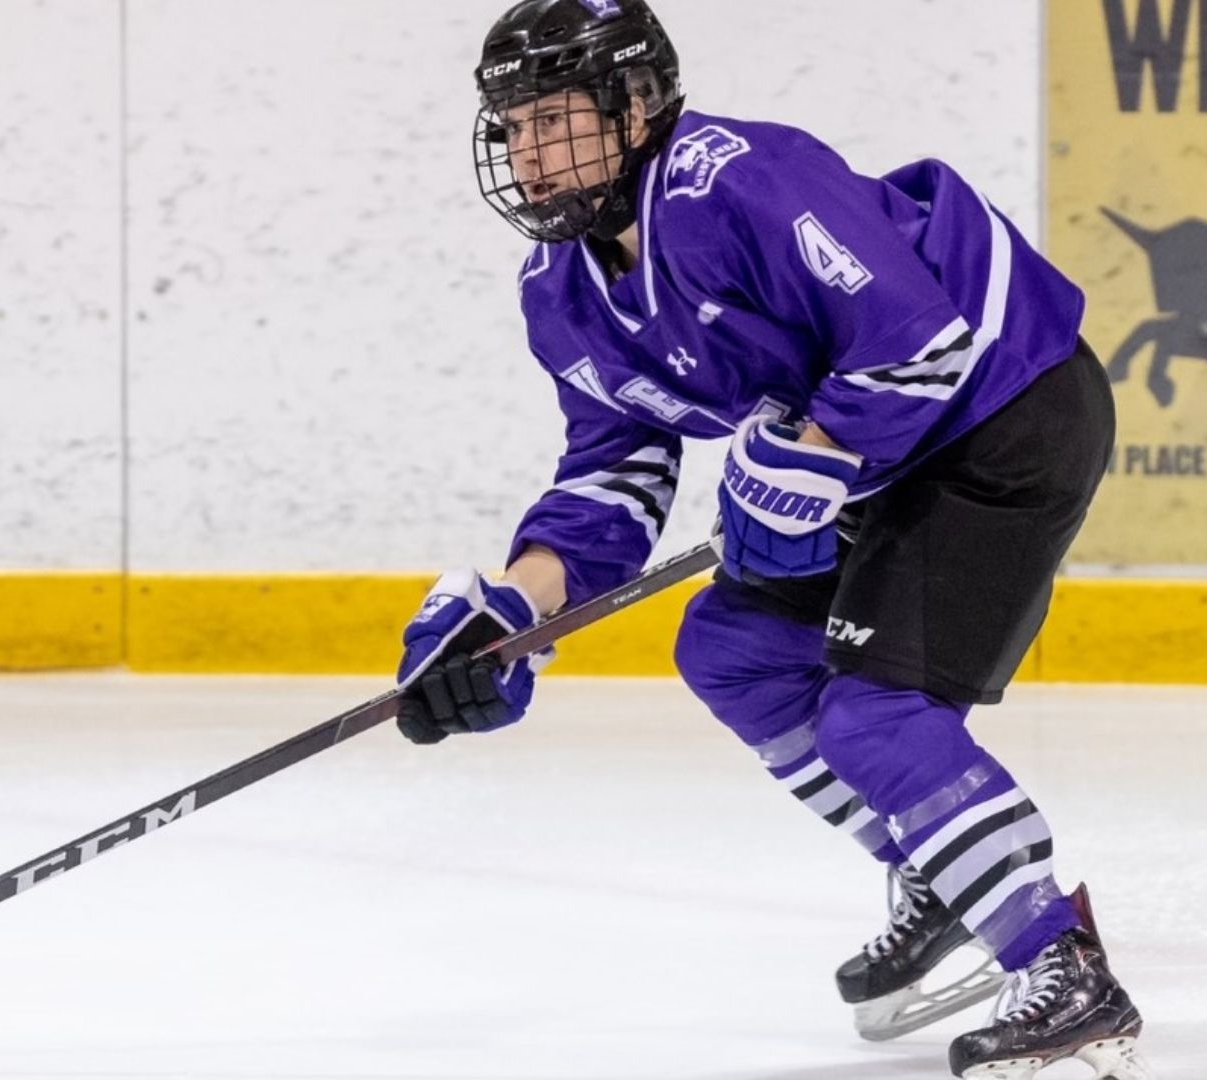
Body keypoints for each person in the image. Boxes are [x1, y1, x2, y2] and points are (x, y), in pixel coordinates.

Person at [390, 3, 1155, 1078]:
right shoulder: (560, 294)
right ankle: (945, 867)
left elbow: (925, 338)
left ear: (638, 107)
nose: (529, 154)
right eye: (511, 128)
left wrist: (808, 450)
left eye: (553, 120)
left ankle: (1063, 966)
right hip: (878, 463)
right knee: (733, 650)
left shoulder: (741, 177)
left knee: (872, 714)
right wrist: (514, 610)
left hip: (1004, 414)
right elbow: (615, 470)